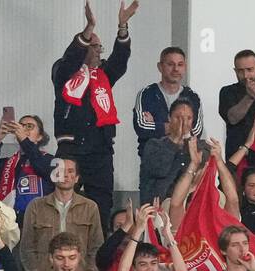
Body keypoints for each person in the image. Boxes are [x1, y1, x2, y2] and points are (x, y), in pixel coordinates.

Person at [51, 0, 138, 220]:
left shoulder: (103, 75)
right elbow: (71, 58)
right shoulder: (63, 72)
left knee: (100, 206)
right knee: (63, 204)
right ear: (84, 48)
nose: (100, 51)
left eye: (100, 47)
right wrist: (88, 28)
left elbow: (120, 60)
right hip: (70, 149)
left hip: (100, 150)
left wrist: (122, 27)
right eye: (95, 46)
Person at [19, 158, 103, 271]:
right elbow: (26, 247)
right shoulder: (35, 206)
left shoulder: (90, 207)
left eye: (70, 171)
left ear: (77, 178)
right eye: (61, 171)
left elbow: (96, 247)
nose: (65, 175)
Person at [133, 46, 203, 158]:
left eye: (180, 65)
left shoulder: (192, 96)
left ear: (185, 67)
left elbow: (196, 131)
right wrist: (181, 127)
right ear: (160, 67)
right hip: (153, 160)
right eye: (170, 64)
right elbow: (142, 127)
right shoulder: (147, 94)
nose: (175, 69)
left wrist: (157, 125)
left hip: (184, 159)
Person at [0, 114, 55, 226]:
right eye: (21, 126)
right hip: (10, 221)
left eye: (29, 126)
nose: (23, 129)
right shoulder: (10, 162)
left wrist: (24, 140)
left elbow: (39, 164)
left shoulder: (49, 160)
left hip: (40, 221)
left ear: (39, 136)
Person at [138, 99, 205, 204]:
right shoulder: (154, 145)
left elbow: (202, 178)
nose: (183, 122)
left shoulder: (201, 147)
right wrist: (174, 140)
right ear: (169, 118)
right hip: (159, 205)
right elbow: (160, 170)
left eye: (188, 118)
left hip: (190, 205)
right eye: (178, 117)